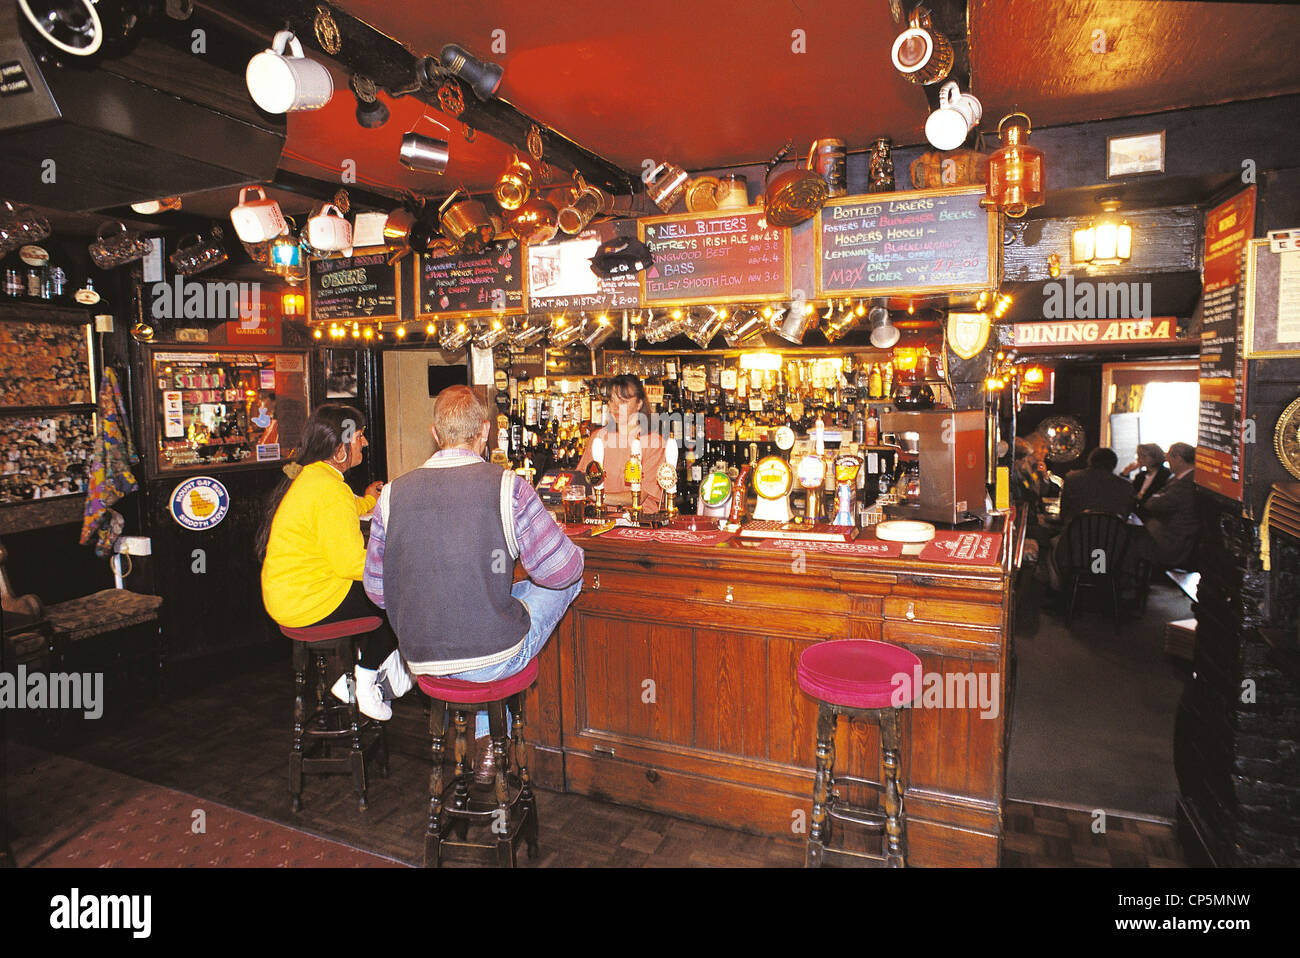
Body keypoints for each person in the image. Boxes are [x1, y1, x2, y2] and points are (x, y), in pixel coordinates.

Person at [364, 386, 583, 784]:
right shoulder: (508, 486)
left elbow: (377, 592)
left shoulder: (391, 494)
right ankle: (489, 745)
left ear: (435, 433)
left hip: (423, 660)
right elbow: (561, 572)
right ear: (484, 432)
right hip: (491, 661)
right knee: (565, 578)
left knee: (498, 597)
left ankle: (482, 745)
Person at [258, 404, 407, 721]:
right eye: (360, 437)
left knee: (393, 594)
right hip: (309, 603)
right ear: (340, 450)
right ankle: (364, 680)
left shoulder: (314, 475)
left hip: (288, 598)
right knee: (403, 596)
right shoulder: (329, 489)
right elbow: (352, 564)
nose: (364, 443)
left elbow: (351, 506)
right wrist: (404, 560)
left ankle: (386, 671)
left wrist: (370, 499)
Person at [575, 374, 670, 513]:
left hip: (639, 525)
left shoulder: (654, 443)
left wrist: (599, 497)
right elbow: (580, 481)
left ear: (639, 403)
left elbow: (639, 496)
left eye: (623, 402)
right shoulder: (598, 438)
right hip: (601, 520)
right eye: (612, 401)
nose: (616, 407)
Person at [1137, 441, 1199, 569]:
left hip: (1176, 535)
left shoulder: (1187, 481)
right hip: (1171, 528)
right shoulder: (1177, 478)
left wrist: (1152, 499)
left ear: (1178, 458)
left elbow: (1155, 503)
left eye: (1169, 456)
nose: (1167, 459)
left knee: (1135, 535)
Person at [1058, 447, 1135, 525]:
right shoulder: (1126, 486)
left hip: (1076, 533)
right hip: (1112, 535)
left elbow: (1063, 512)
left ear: (1090, 461)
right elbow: (1124, 517)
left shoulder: (1072, 478)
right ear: (1114, 464)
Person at [1121, 442, 1171, 509]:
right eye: (1138, 455)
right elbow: (1127, 493)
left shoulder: (1165, 474)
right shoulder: (1140, 476)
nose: (1140, 459)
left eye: (1144, 456)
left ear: (1155, 457)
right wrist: (1126, 473)